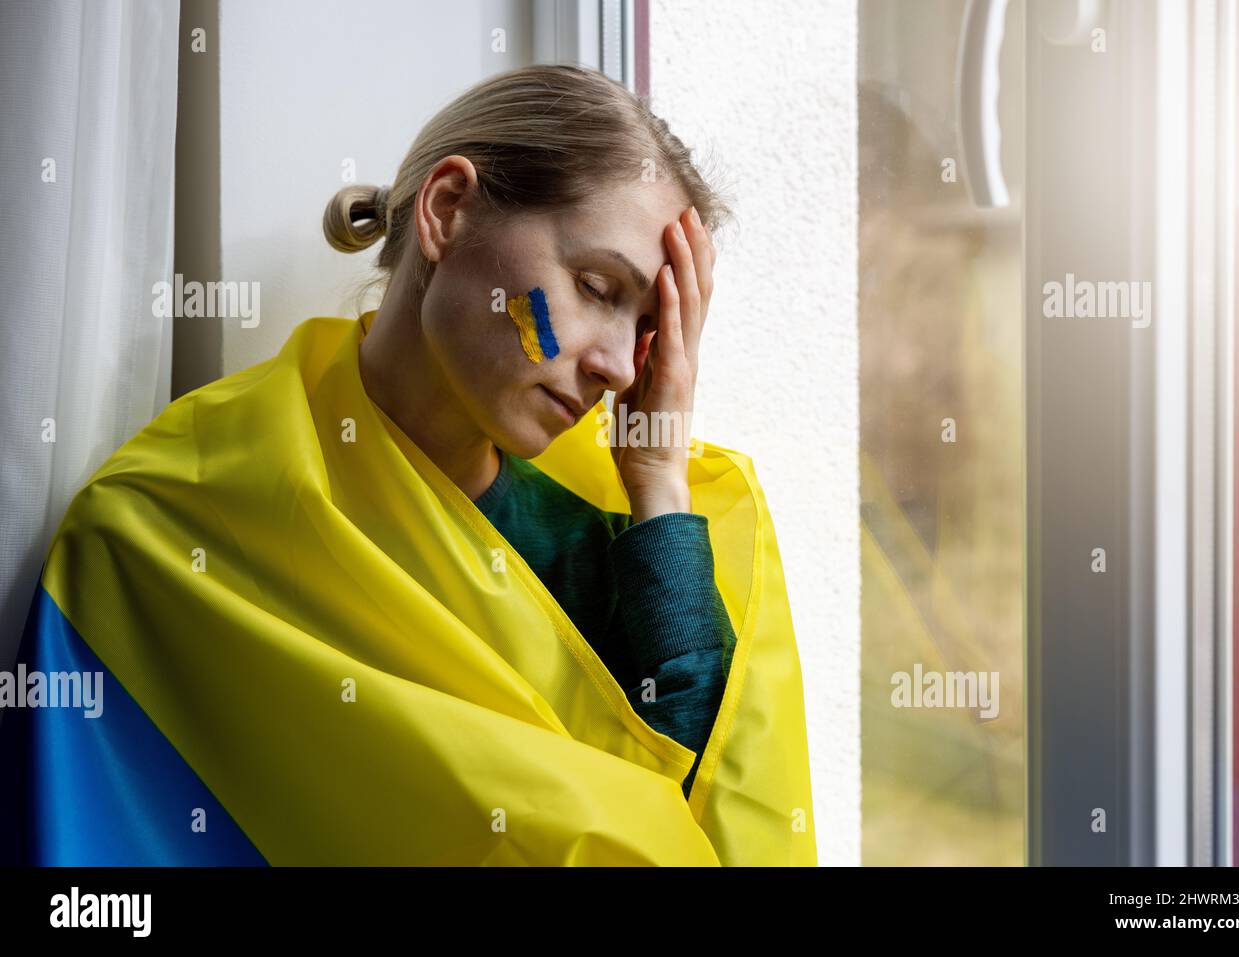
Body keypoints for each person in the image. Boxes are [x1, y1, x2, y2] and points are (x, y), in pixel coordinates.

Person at [0, 64, 816, 866]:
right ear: (448, 210)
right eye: (598, 285)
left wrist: (661, 478)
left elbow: (705, 826)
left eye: (643, 328)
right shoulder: (169, 519)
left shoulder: (617, 546)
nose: (616, 367)